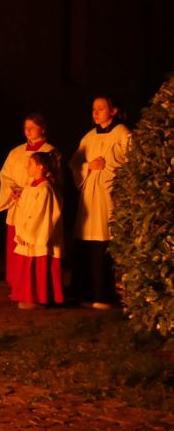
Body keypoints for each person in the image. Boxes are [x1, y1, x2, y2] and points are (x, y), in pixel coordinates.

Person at [69, 95, 131, 310]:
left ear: (113, 111)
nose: (96, 113)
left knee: (105, 237)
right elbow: (75, 163)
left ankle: (105, 294)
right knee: (87, 239)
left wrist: (109, 165)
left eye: (101, 108)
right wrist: (88, 166)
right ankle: (85, 292)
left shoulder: (122, 133)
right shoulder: (88, 137)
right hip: (90, 196)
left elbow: (132, 159)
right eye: (94, 108)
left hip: (107, 195)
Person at [0, 114, 55, 289]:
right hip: (16, 204)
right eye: (25, 128)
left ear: (43, 129)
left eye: (32, 127)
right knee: (16, 244)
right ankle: (17, 285)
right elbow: (5, 175)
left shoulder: (50, 151)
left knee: (33, 244)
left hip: (36, 206)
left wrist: (29, 191)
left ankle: (33, 287)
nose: (28, 131)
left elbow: (54, 177)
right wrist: (11, 190)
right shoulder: (15, 152)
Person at [11, 151, 65, 309]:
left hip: (37, 235)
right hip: (25, 233)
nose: (26, 166)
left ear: (40, 167)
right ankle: (28, 296)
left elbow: (40, 215)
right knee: (26, 266)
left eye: (30, 164)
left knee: (38, 265)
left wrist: (27, 234)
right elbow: (26, 211)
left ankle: (38, 297)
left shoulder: (45, 189)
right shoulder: (30, 186)